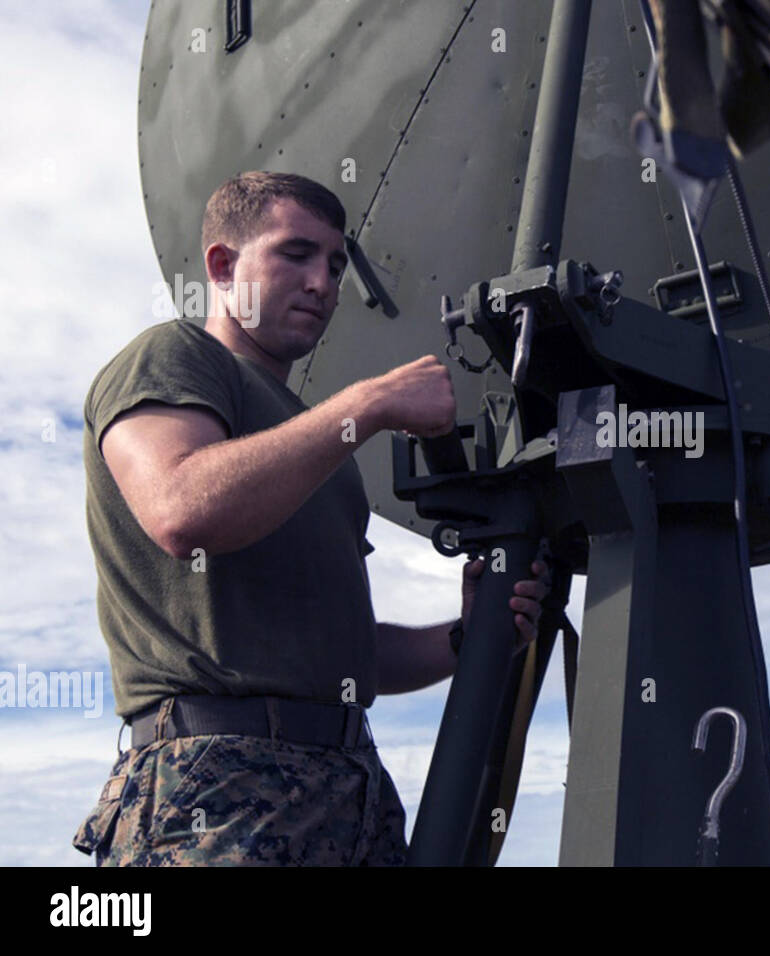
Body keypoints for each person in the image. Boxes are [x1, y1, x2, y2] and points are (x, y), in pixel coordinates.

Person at [72, 170, 550, 865]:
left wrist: (463, 637)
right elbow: (180, 508)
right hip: (216, 788)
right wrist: (369, 404)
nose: (323, 282)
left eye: (333, 262)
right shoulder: (174, 357)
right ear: (223, 265)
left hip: (349, 790)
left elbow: (347, 657)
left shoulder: (311, 440)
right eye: (295, 254)